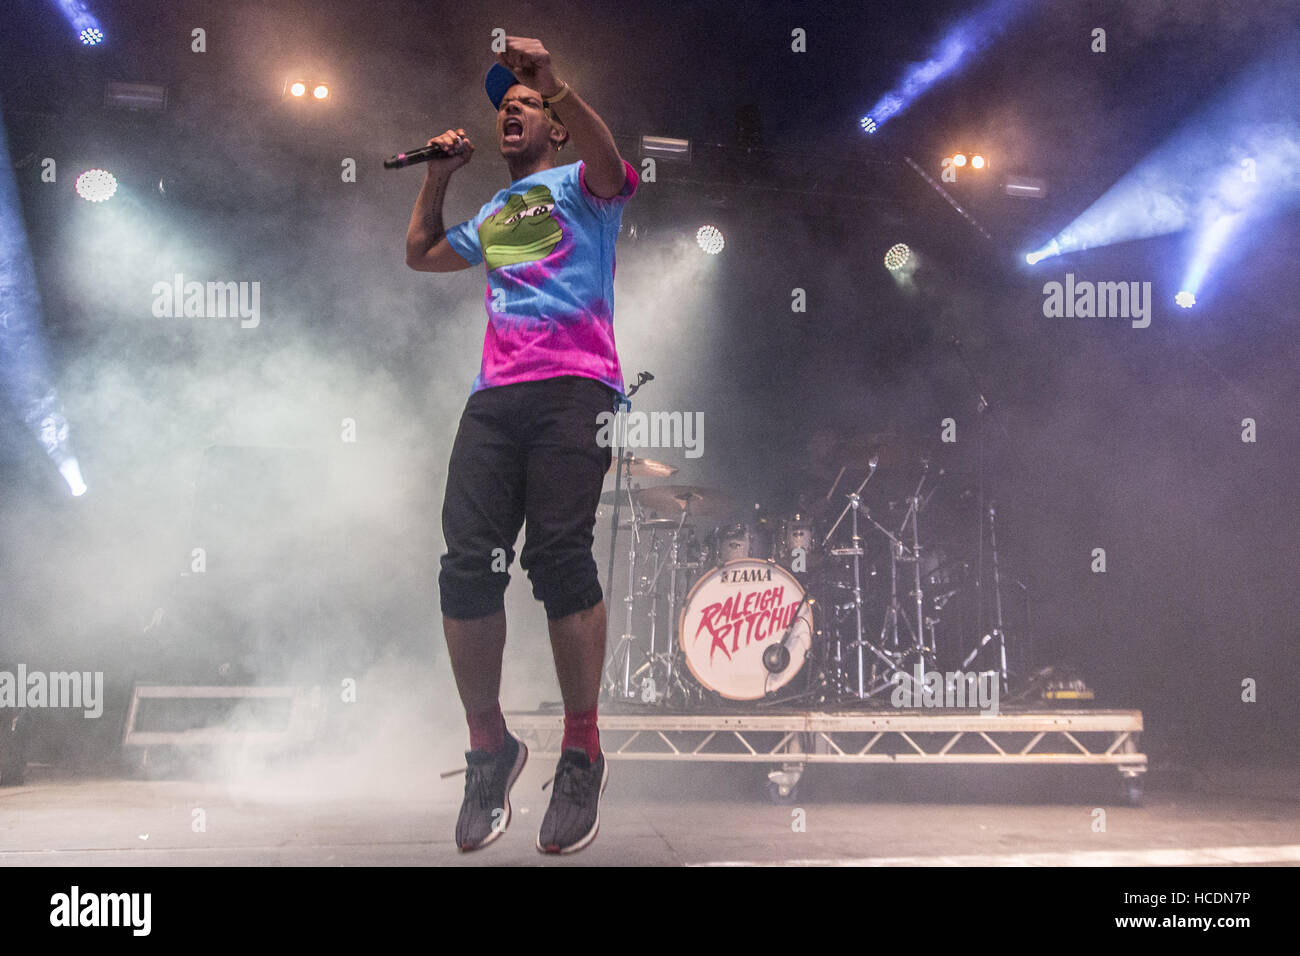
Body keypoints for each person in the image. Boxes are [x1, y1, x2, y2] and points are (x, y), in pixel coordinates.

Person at [404, 36, 637, 854]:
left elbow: (613, 158)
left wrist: (557, 82)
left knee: (559, 557)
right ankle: (488, 746)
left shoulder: (584, 184)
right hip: (496, 399)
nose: (511, 105)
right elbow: (422, 254)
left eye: (526, 100)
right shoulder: (495, 215)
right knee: (466, 564)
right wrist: (438, 174)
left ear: (556, 125)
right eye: (504, 100)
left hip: (578, 386)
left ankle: (582, 749)